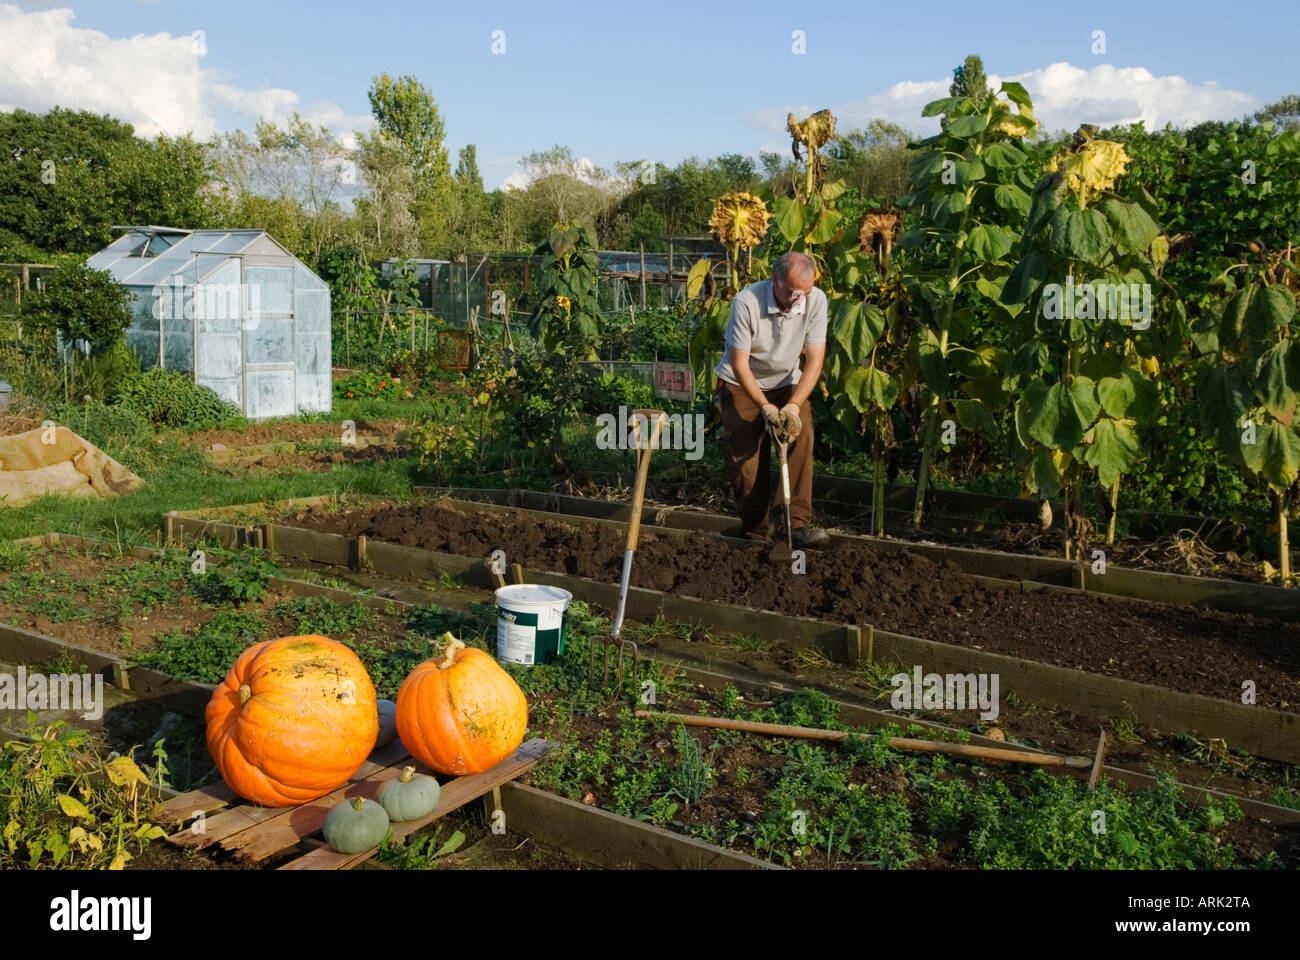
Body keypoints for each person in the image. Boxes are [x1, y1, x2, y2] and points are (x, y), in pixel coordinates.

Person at [713, 251, 829, 548]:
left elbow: (815, 361)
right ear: (774, 281)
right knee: (747, 460)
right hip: (742, 383)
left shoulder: (815, 300)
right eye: (791, 292)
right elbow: (739, 363)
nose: (797, 299)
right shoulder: (747, 302)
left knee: (801, 432)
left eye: (803, 292)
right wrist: (764, 406)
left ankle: (795, 525)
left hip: (786, 382)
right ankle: (756, 533)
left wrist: (793, 405)